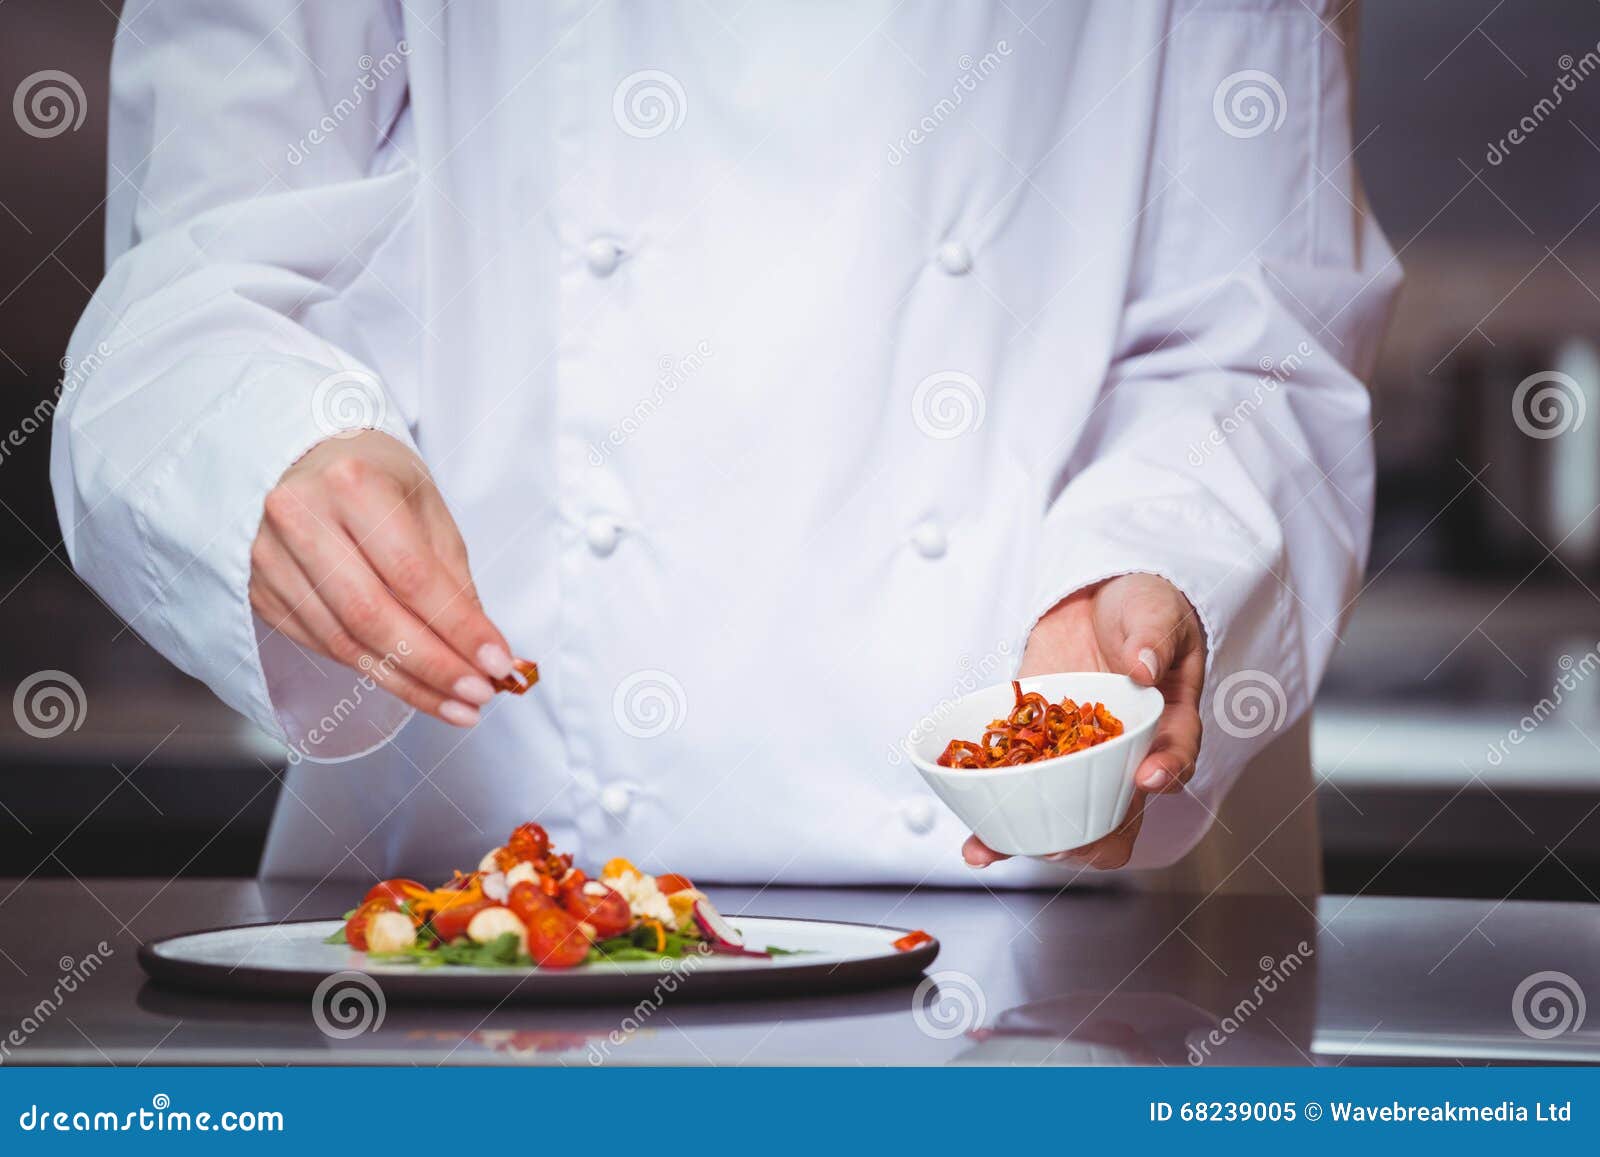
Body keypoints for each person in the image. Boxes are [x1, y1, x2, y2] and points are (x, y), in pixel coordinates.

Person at [53, 1, 1398, 892]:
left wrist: (1150, 559)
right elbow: (180, 299)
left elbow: (1262, 337)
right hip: (491, 919)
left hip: (1045, 945)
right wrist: (272, 449)